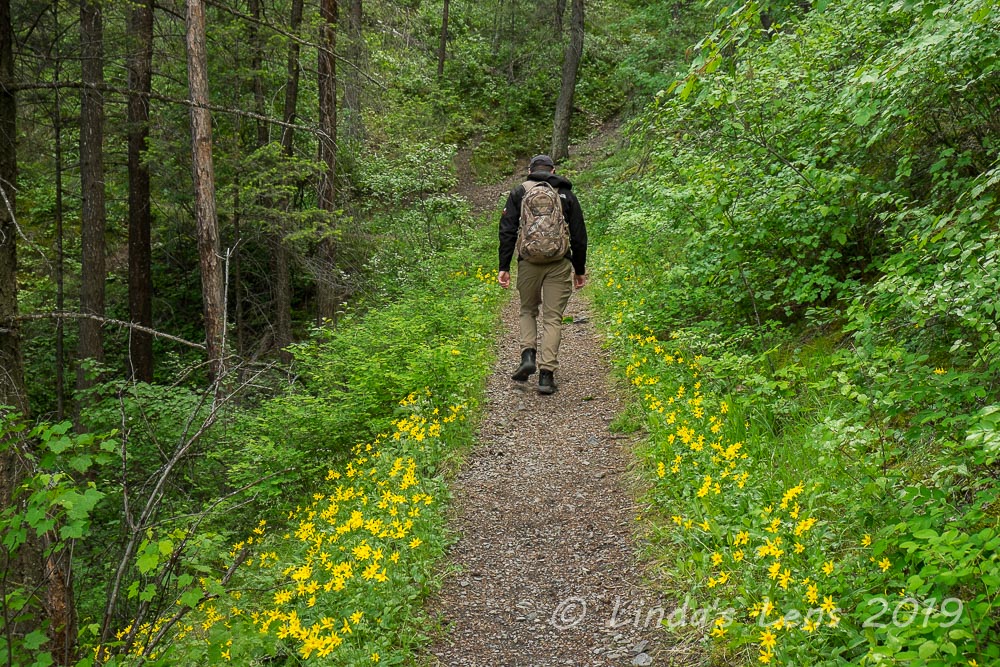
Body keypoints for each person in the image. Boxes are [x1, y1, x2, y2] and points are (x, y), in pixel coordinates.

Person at [498, 154, 587, 394]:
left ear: (530, 170)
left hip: (528, 263)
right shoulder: (566, 194)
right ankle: (546, 375)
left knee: (527, 310)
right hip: (559, 263)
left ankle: (528, 355)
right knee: (552, 318)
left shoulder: (519, 192)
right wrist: (579, 270)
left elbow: (507, 231)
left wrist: (503, 266)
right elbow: (578, 235)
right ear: (553, 170)